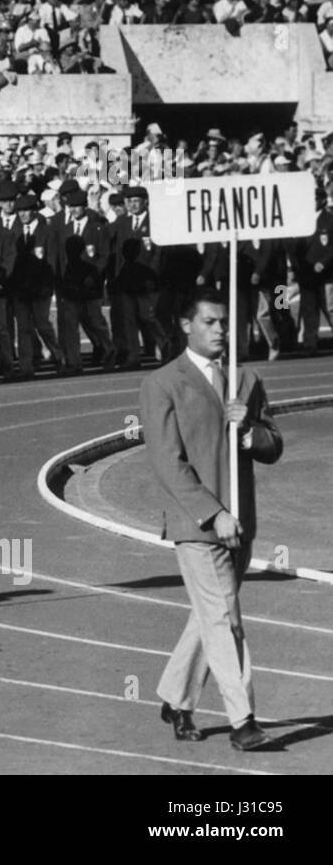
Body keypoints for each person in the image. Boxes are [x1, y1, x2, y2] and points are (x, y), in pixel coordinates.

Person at [139, 288, 283, 752]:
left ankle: (176, 696)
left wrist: (249, 432)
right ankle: (243, 721)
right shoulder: (162, 383)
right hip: (196, 525)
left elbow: (274, 445)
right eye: (210, 322)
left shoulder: (245, 379)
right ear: (186, 326)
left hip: (242, 525)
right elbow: (167, 462)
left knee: (209, 617)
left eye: (225, 322)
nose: (221, 330)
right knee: (225, 620)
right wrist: (212, 512)